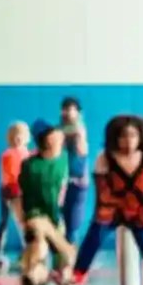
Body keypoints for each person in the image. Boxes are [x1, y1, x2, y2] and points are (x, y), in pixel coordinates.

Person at [66, 115, 143, 285]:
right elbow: (102, 193)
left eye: (133, 135)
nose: (128, 141)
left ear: (141, 137)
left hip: (138, 211)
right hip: (110, 210)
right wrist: (104, 215)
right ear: (115, 137)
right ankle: (77, 282)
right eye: (123, 136)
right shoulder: (104, 159)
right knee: (93, 238)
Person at [18, 121, 75, 285]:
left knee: (54, 255)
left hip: (56, 215)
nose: (59, 139)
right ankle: (34, 271)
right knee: (42, 243)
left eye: (59, 136)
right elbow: (23, 194)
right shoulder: (30, 165)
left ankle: (36, 273)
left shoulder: (65, 159)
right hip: (35, 215)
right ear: (45, 141)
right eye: (54, 137)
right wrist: (24, 219)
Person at [0, 121, 32, 272]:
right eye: (14, 136)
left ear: (26, 137)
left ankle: (26, 252)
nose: (17, 138)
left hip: (20, 191)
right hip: (12, 191)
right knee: (9, 223)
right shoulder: (8, 155)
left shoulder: (28, 154)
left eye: (20, 135)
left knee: (21, 223)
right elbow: (12, 175)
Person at [60, 97, 91, 245]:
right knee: (62, 222)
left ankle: (71, 254)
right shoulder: (59, 129)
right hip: (62, 180)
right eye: (64, 109)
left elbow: (78, 143)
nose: (66, 112)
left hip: (78, 181)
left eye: (70, 109)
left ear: (78, 112)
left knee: (72, 224)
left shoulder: (79, 129)